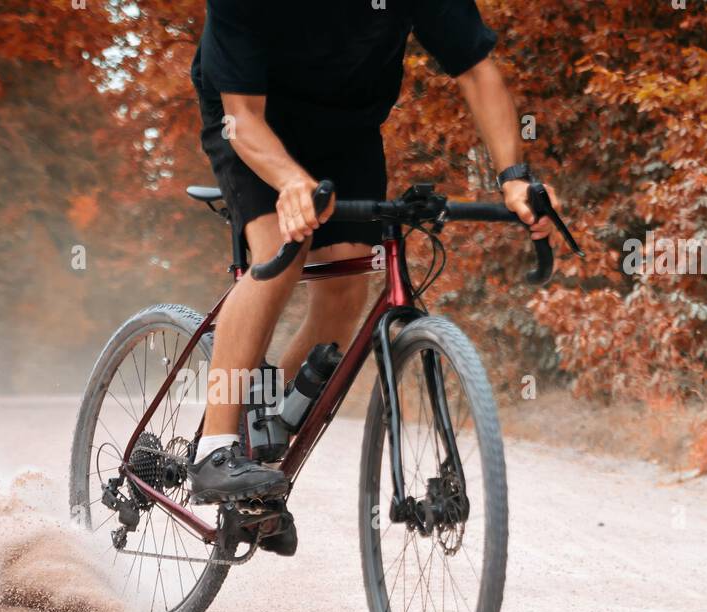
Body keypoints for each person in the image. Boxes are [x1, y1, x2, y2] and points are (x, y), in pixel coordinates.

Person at [185, 0, 560, 552]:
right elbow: (241, 115)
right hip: (250, 120)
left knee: (347, 286)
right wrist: (290, 181)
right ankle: (215, 447)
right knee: (283, 248)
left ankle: (266, 429)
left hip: (348, 126)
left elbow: (477, 71)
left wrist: (512, 176)